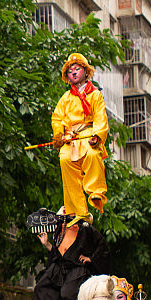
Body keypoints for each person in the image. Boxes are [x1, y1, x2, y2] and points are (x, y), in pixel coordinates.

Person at [29, 209, 110, 300]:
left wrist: (91, 259)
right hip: (59, 268)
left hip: (76, 268)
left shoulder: (85, 228)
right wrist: (47, 244)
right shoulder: (60, 228)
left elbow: (102, 248)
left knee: (69, 296)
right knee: (42, 288)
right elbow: (58, 253)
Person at [51, 53, 109, 224]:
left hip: (88, 134)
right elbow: (57, 118)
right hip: (70, 138)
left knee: (92, 155)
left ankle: (96, 192)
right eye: (70, 71)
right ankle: (77, 210)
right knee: (64, 160)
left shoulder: (95, 94)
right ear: (67, 76)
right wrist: (59, 135)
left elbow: (100, 117)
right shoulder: (66, 98)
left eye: (77, 69)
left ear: (85, 71)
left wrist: (97, 135)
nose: (74, 73)